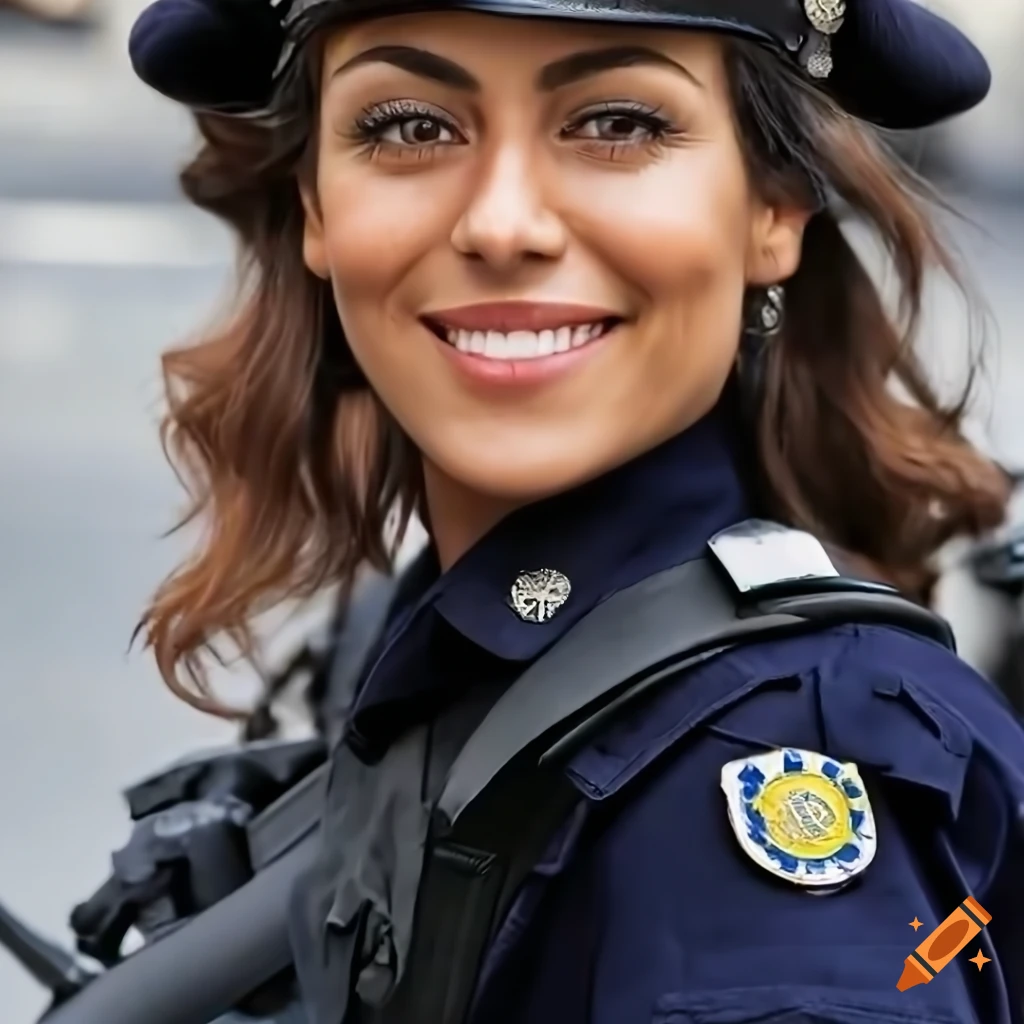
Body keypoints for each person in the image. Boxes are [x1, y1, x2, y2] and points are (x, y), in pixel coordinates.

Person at [123, 0, 1024, 1022]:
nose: (502, 224)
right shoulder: (458, 641)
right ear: (317, 210)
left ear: (772, 211)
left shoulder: (759, 755)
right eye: (410, 126)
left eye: (618, 123)